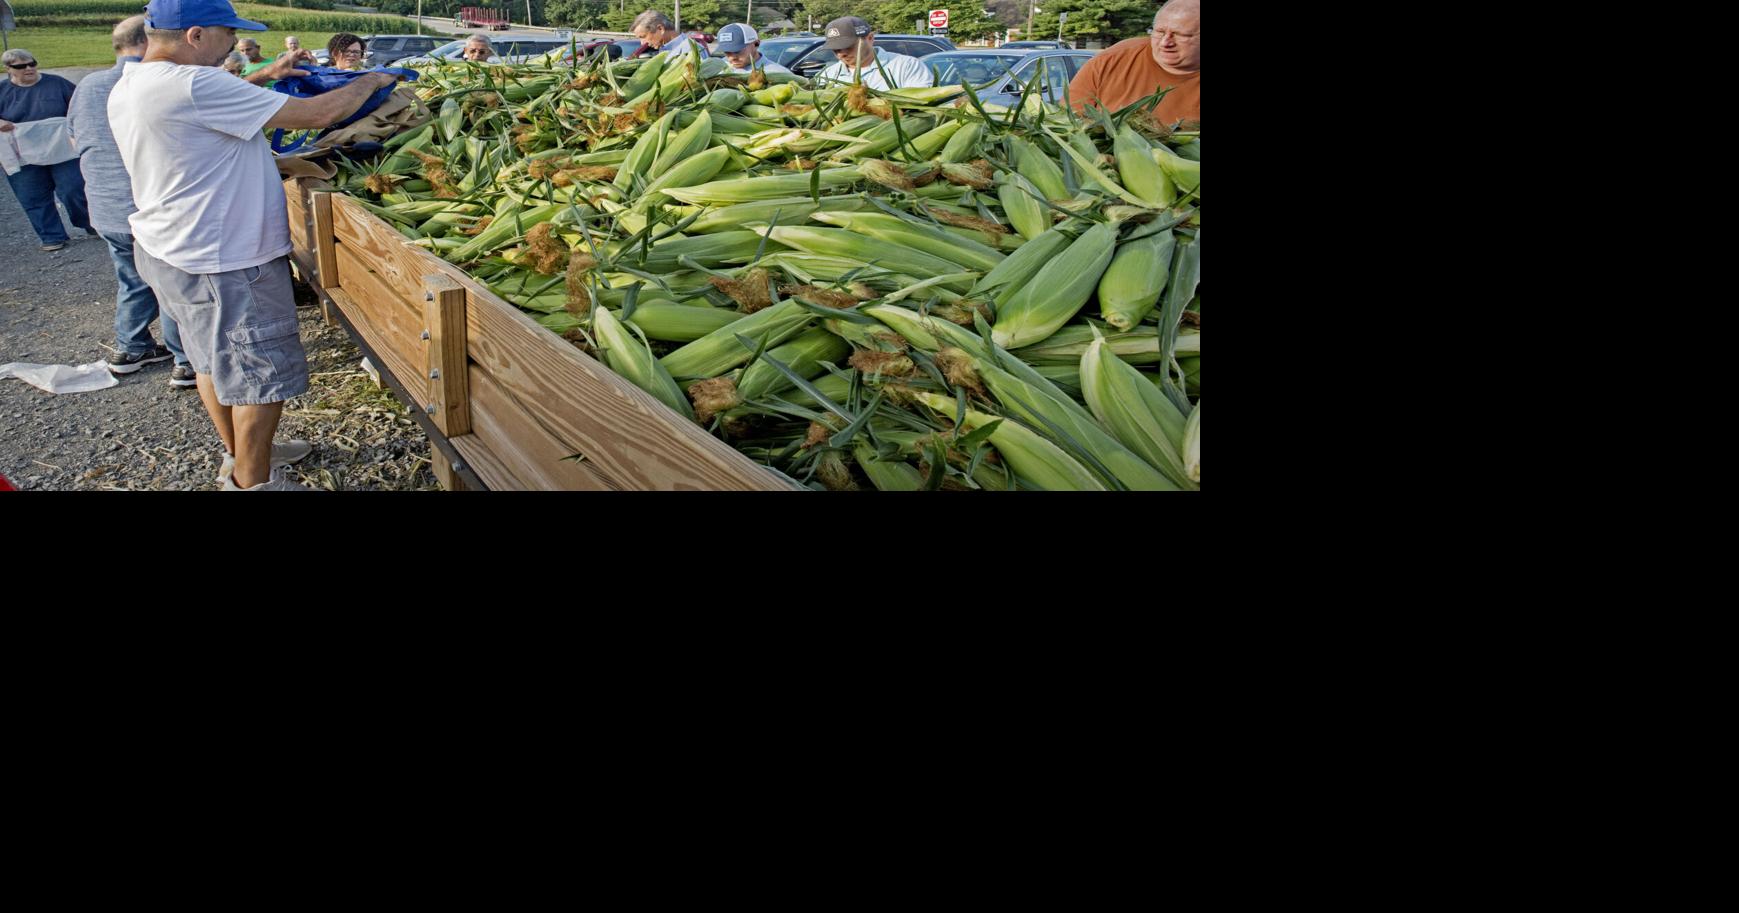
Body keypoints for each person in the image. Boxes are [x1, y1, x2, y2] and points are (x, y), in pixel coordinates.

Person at [110, 0, 405, 490]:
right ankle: (254, 481)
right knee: (259, 376)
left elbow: (211, 104)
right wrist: (372, 80)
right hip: (227, 259)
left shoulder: (135, 81)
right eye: (229, 33)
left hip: (169, 248)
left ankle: (243, 453)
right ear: (196, 35)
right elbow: (322, 112)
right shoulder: (197, 84)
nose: (232, 43)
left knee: (209, 362)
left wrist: (269, 72)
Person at [1, 48, 95, 251]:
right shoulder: (2, 91)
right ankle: (52, 236)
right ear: (8, 69)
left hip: (61, 149)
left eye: (32, 63)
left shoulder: (56, 83)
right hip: (22, 154)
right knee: (31, 194)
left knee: (74, 187)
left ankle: (89, 222)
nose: (28, 69)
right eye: (21, 66)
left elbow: (80, 106)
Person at [1068, 0, 1199, 126]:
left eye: (1181, 35)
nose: (1165, 43)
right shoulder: (1110, 60)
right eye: (1160, 32)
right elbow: (1068, 119)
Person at [814, 17, 933, 90]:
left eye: (848, 46)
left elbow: (923, 109)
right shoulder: (827, 75)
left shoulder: (906, 66)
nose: (841, 54)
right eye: (836, 49)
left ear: (870, 38)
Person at [714, 23, 789, 75]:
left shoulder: (778, 73)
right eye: (727, 52)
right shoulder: (718, 70)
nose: (732, 58)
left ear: (756, 44)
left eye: (737, 51)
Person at [630, 11, 695, 59]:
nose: (642, 43)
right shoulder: (663, 49)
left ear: (660, 29)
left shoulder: (691, 50)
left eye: (643, 37)